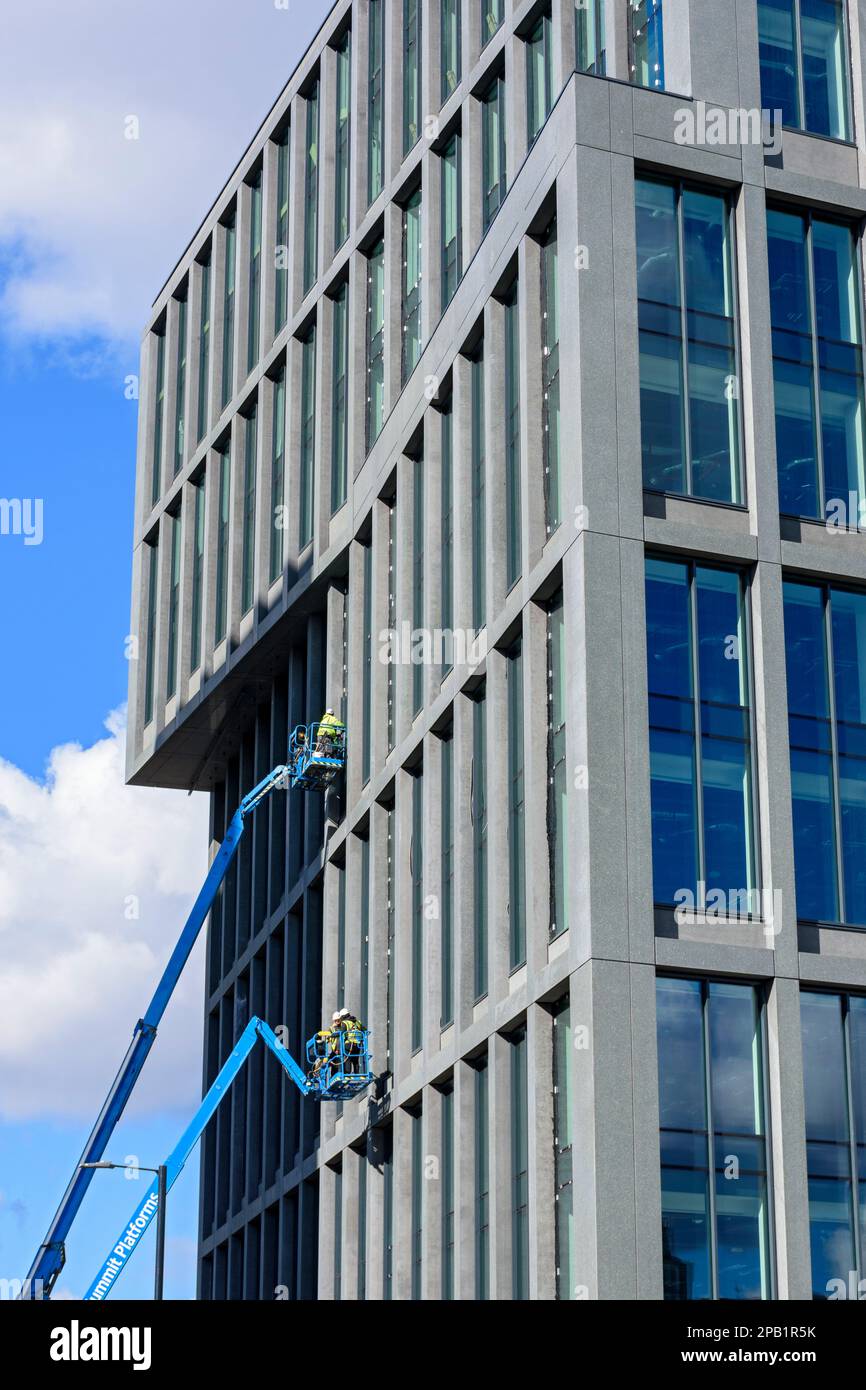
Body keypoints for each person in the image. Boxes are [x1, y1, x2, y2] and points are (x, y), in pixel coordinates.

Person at [337, 1007, 366, 1075]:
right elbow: (364, 1030)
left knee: (347, 1059)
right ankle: (357, 1073)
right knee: (355, 1060)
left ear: (342, 1016)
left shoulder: (345, 1023)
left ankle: (347, 1074)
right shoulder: (357, 1022)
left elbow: (341, 1032)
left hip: (349, 1044)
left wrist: (333, 1035)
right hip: (358, 1044)